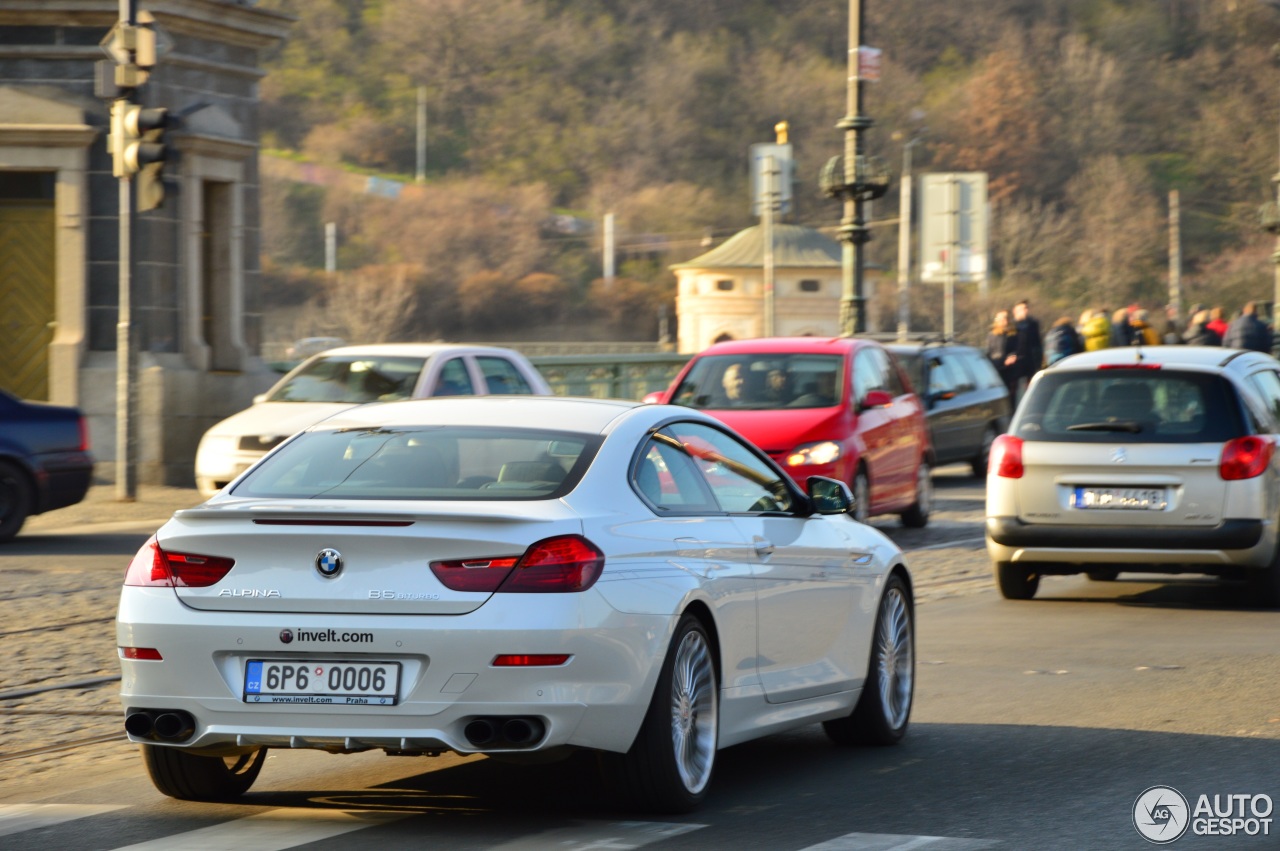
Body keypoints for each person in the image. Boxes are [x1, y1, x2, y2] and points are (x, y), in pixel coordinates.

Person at [1007, 299, 1043, 403]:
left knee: (1030, 388)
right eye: (1022, 309)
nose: (1025, 311)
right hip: (1015, 361)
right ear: (1015, 311)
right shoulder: (1011, 326)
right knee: (1013, 389)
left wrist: (1039, 361)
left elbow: (1037, 343)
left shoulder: (1033, 324)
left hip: (1030, 360)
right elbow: (1007, 344)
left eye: (1026, 308)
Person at [987, 309, 1017, 397]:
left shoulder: (1013, 334)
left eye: (1006, 318)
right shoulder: (992, 334)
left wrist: (1012, 356)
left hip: (1009, 369)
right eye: (1002, 318)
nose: (1004, 321)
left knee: (1010, 394)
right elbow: (990, 351)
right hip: (996, 367)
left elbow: (1016, 349)